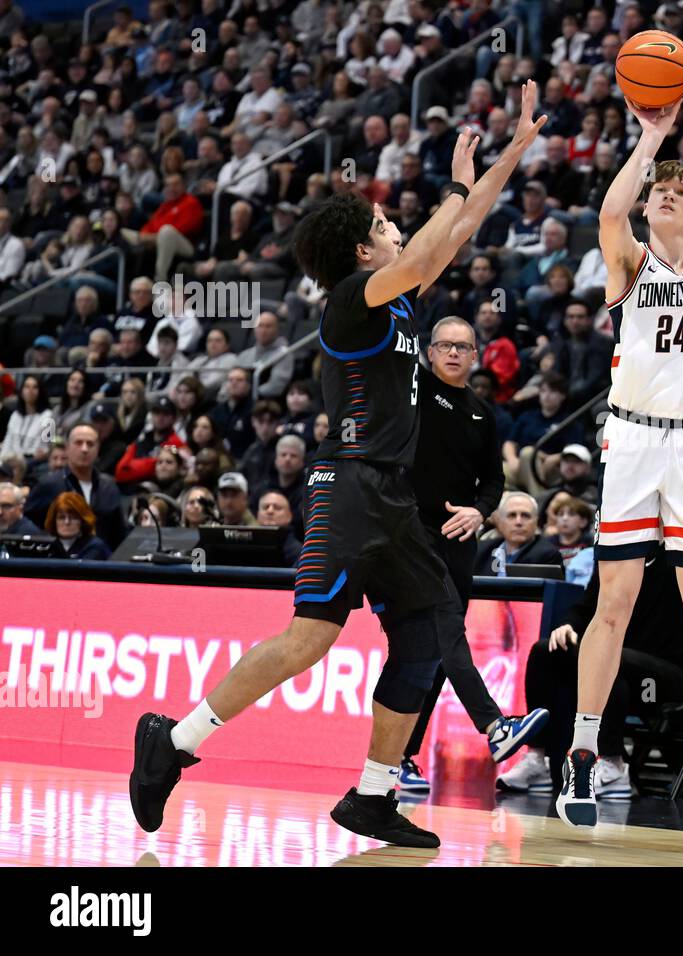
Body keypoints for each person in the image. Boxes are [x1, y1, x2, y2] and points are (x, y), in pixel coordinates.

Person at [128, 81, 547, 849]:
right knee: (308, 639)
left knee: (425, 634)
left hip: (386, 494)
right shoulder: (354, 298)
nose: (397, 231)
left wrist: (512, 155)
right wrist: (453, 183)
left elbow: (454, 235)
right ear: (363, 250)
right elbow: (431, 242)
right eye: (385, 223)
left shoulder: (398, 299)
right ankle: (175, 740)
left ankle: (373, 795)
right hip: (348, 486)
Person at [559, 50, 683, 837]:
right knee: (615, 605)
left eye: (676, 195)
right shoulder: (629, 261)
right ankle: (581, 749)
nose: (662, 199)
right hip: (632, 444)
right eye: (657, 194)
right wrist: (647, 138)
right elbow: (607, 215)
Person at [401, 317, 549, 789]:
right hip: (413, 535)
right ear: (429, 352)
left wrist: (479, 512)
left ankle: (397, 758)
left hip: (460, 542)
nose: (453, 353)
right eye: (444, 345)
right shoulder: (415, 390)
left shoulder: (485, 413)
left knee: (433, 651)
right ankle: (495, 726)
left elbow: (495, 482)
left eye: (463, 347)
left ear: (475, 355)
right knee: (444, 634)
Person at [498, 545, 683, 798]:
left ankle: (612, 765)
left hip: (663, 677)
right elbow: (585, 607)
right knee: (545, 651)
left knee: (607, 659)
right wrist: (567, 626)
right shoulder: (614, 555)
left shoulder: (682, 555)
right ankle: (538, 760)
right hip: (618, 666)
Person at [23, 423, 127, 548]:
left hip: (101, 561)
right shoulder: (50, 484)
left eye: (90, 444)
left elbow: (119, 532)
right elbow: (28, 523)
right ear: (67, 448)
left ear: (98, 449)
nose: (84, 449)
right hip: (61, 563)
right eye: (78, 443)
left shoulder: (108, 487)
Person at [474, 491, 564, 574]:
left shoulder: (547, 555)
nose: (518, 522)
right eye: (512, 515)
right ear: (500, 522)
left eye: (525, 515)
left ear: (536, 522)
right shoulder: (481, 550)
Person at [44, 490, 112, 560]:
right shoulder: (44, 545)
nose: (67, 522)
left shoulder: (95, 547)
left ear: (83, 521)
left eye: (74, 518)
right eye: (61, 518)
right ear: (54, 521)